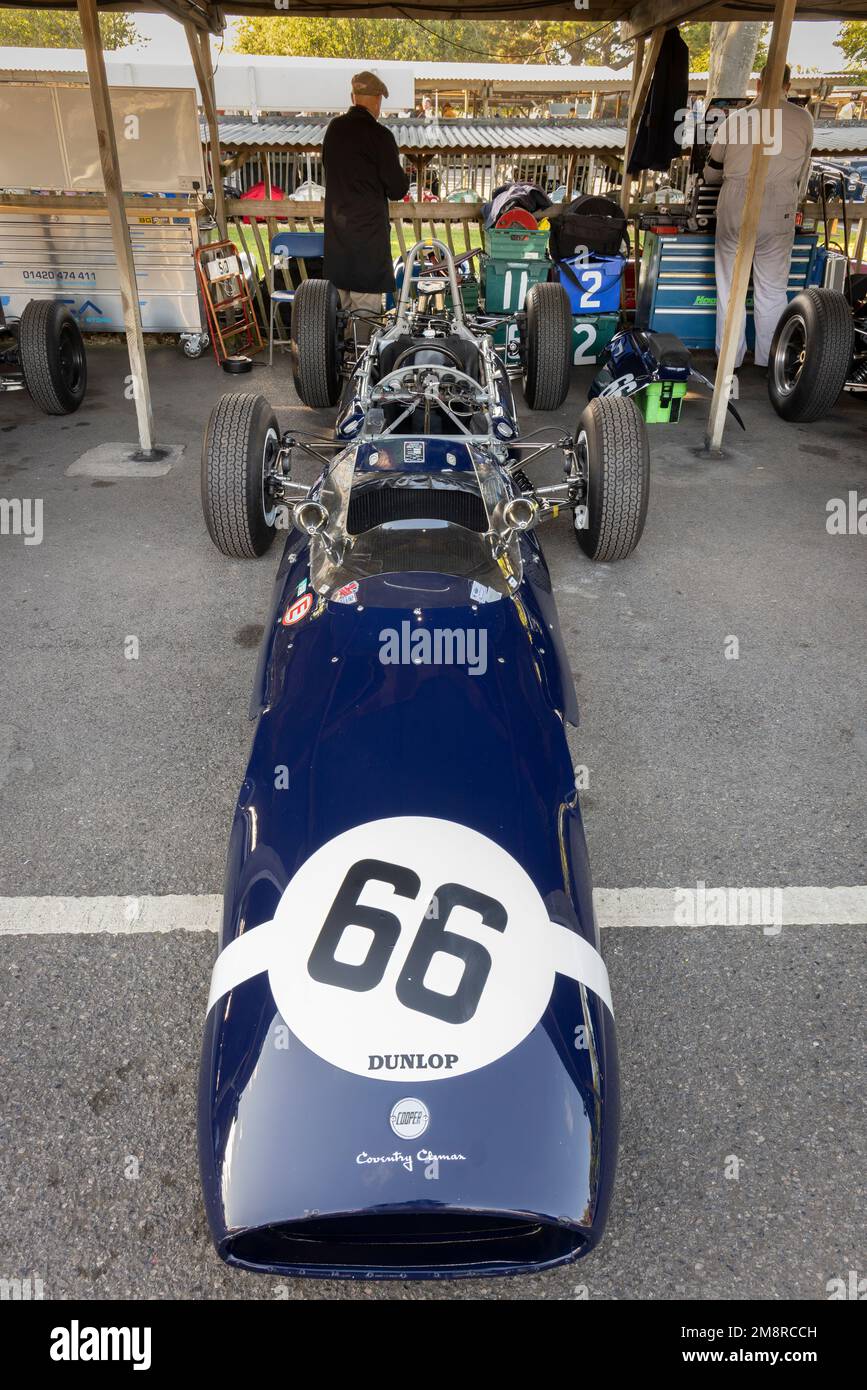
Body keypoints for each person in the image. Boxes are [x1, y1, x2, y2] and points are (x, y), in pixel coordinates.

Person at [704, 63, 813, 370]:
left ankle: (730, 359)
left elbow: (712, 172)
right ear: (788, 86)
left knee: (730, 288)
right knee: (773, 289)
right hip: (780, 204)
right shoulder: (803, 119)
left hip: (737, 201)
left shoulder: (736, 119)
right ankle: (770, 360)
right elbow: (803, 170)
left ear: (758, 83)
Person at [322, 70, 409, 341]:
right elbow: (396, 189)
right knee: (365, 317)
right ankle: (358, 375)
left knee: (341, 313)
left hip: (338, 241)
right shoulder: (380, 136)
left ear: (353, 97)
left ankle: (339, 373)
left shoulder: (333, 131)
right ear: (377, 101)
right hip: (367, 244)